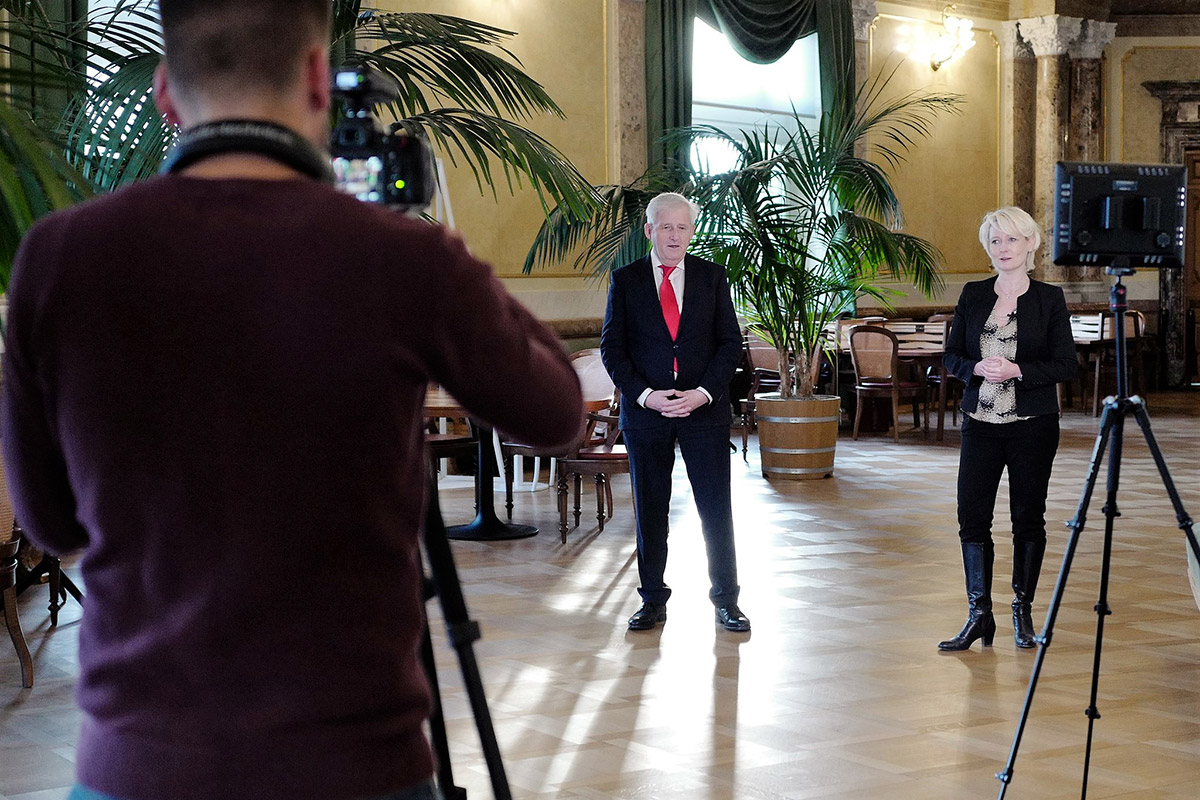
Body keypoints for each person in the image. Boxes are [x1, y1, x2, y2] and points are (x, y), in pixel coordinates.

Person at [0, 2, 584, 799]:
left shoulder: (59, 257)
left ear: (166, 93)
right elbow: (554, 412)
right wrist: (430, 248)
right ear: (318, 78)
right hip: (357, 764)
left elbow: (51, 523)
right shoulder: (399, 259)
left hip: (138, 764)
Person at [600, 192, 749, 633]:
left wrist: (703, 392)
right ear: (649, 231)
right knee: (651, 510)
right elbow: (613, 348)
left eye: (683, 227)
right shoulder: (625, 280)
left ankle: (727, 600)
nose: (675, 235)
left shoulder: (712, 277)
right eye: (666, 227)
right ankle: (652, 600)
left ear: (691, 232)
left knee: (715, 510)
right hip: (647, 414)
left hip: (704, 412)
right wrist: (646, 395)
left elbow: (729, 345)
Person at [939, 206, 1077, 652]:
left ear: (1030, 244)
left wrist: (1018, 369)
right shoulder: (974, 294)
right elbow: (952, 355)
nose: (1003, 248)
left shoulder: (1048, 299)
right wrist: (975, 366)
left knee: (1027, 518)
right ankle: (979, 614)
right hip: (980, 422)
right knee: (972, 517)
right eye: (995, 241)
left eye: (1012, 240)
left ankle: (1022, 610)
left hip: (1032, 425)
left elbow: (1065, 364)